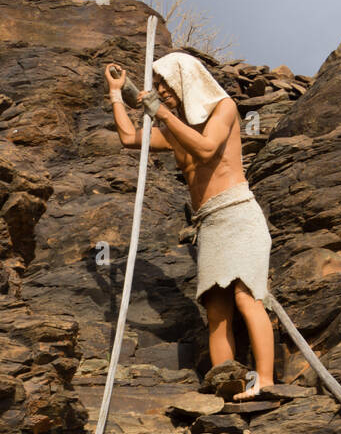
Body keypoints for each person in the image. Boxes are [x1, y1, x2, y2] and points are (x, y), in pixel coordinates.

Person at [105, 50, 275, 399]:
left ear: (186, 79)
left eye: (166, 82)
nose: (161, 90)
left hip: (239, 214)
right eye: (156, 85)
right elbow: (129, 139)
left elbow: (208, 149)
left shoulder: (223, 108)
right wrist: (116, 93)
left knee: (246, 298)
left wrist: (161, 112)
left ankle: (266, 381)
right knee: (216, 311)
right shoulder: (176, 132)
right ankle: (228, 387)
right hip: (209, 223)